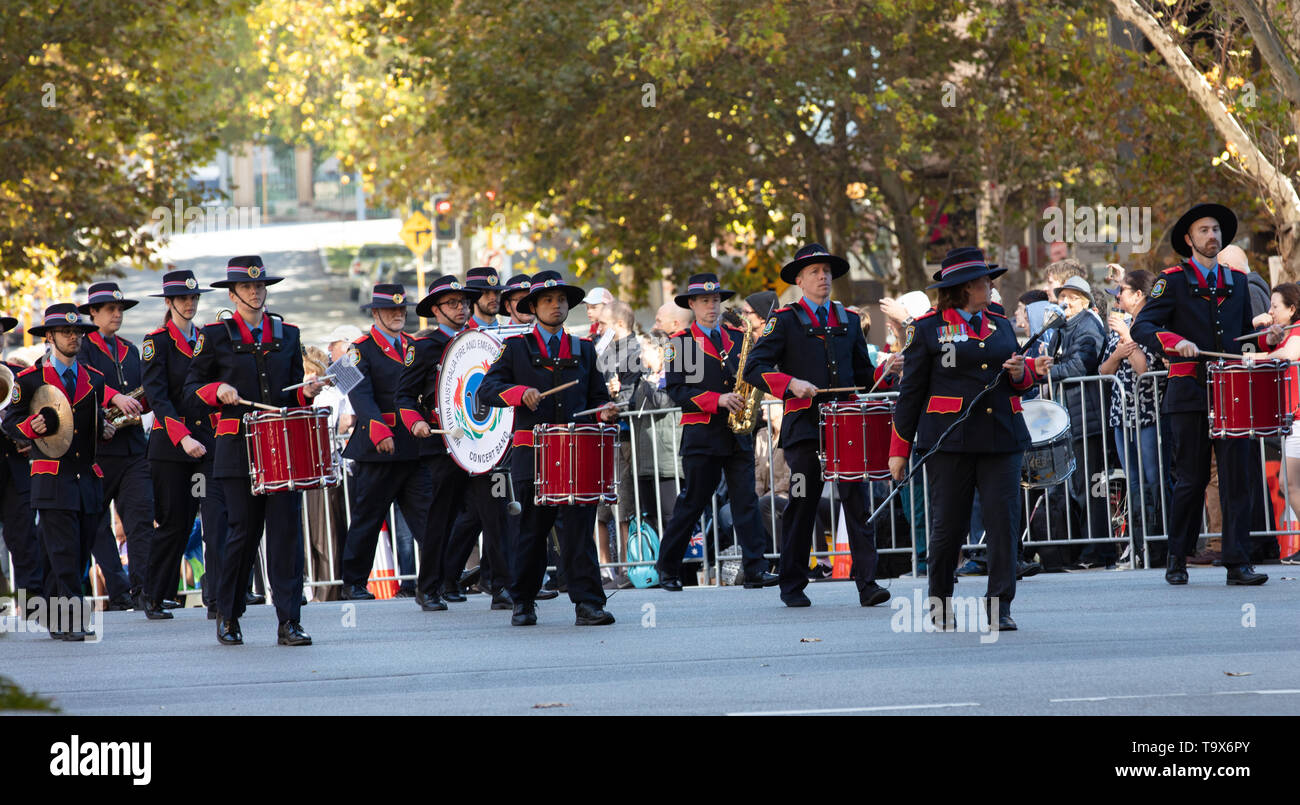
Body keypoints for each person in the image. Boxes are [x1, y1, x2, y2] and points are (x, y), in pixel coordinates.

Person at [888, 247, 1036, 631]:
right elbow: (911, 394)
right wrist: (898, 451)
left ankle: (999, 605)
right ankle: (940, 603)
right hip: (949, 440)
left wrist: (1020, 371)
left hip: (1002, 436)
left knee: (1003, 522)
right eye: (984, 280)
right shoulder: (925, 329)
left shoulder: (1000, 323)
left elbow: (1019, 384)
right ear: (966, 287)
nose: (990, 285)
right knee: (948, 526)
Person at [185, 256, 325, 646]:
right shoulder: (213, 336)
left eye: (260, 286)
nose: (255, 291)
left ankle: (289, 622)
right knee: (241, 536)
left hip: (280, 450)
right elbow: (191, 391)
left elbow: (291, 392)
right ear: (232, 294)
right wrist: (217, 391)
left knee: (286, 538)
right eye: (247, 287)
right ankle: (228, 616)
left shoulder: (288, 332)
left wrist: (307, 392)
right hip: (237, 449)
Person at [743, 243, 890, 608]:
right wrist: (790, 383)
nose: (823, 277)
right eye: (814, 272)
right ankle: (792, 583)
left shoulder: (850, 319)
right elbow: (754, 368)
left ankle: (868, 583)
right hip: (805, 429)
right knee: (802, 500)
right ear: (799, 280)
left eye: (826, 271)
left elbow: (862, 376)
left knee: (856, 501)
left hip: (846, 427)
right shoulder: (786, 319)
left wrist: (887, 373)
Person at [1131, 203, 1268, 586]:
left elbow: (1242, 338)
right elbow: (1143, 327)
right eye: (1204, 230)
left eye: (1216, 230)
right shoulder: (1171, 280)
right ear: (1189, 240)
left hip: (1230, 390)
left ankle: (1238, 561)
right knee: (1190, 479)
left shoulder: (1237, 281)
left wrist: (1262, 338)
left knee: (1236, 477)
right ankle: (1178, 555)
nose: (1213, 236)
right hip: (1189, 389)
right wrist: (1176, 343)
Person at [478, 270, 620, 627]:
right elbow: (487, 389)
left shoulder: (584, 350)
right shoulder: (515, 348)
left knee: (578, 530)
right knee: (532, 529)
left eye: (561, 301)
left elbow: (597, 398)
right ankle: (523, 601)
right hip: (533, 452)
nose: (557, 306)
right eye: (548, 300)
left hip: (575, 453)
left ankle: (587, 603)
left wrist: (604, 411)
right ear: (534, 307)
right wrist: (517, 393)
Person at [654, 273, 779, 592]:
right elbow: (678, 391)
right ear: (692, 304)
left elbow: (750, 375)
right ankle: (667, 568)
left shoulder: (739, 338)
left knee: (746, 501)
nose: (712, 306)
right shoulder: (680, 343)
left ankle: (755, 567)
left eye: (715, 300)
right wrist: (717, 400)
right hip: (702, 434)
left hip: (737, 432)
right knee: (692, 503)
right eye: (705, 301)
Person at [3, 304, 115, 640]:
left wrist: (104, 429)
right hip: (51, 477)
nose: (73, 337)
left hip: (86, 477)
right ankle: (71, 620)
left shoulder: (94, 379)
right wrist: (30, 427)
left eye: (77, 332)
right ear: (49, 337)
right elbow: (11, 421)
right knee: (64, 551)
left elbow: (91, 425)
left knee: (78, 551)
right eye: (66, 332)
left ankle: (51, 615)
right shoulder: (30, 379)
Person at [336, 284, 434, 606]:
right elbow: (356, 394)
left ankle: (438, 579)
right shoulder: (358, 349)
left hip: (411, 446)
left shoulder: (413, 345)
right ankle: (353, 583)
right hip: (376, 450)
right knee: (367, 518)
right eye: (391, 310)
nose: (398, 314)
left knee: (427, 516)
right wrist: (378, 429)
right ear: (375, 313)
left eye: (401, 309)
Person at [139, 269, 220, 619]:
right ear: (169, 303)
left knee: (217, 516)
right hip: (172, 447)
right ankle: (154, 595)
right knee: (175, 522)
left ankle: (219, 595)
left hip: (204, 442)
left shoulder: (206, 339)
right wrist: (182, 437)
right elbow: (158, 397)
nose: (189, 303)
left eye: (193, 298)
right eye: (183, 299)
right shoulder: (155, 341)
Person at [396, 275, 479, 611]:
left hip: (476, 442)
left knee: (486, 510)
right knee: (439, 517)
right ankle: (428, 587)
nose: (461, 309)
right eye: (452, 304)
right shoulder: (424, 346)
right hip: (440, 444)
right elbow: (403, 395)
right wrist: (414, 421)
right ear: (435, 310)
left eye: (464, 303)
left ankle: (497, 585)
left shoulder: (478, 342)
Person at [76, 281, 153, 611]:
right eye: (110, 309)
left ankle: (145, 591)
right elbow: (80, 381)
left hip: (133, 446)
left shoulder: (130, 349)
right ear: (93, 313)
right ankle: (118, 588)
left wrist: (146, 402)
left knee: (140, 519)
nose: (117, 314)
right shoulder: (83, 348)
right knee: (95, 522)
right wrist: (112, 398)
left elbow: (142, 391)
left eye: (120, 308)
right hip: (99, 447)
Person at [1036, 276, 1113, 568]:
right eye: (1061, 296)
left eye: (1069, 296)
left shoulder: (1088, 325)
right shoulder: (1061, 328)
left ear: (1082, 300)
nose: (1063, 302)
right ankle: (1085, 548)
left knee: (1091, 487)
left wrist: (1048, 371)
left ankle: (1098, 550)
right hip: (1071, 421)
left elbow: (1083, 363)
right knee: (1078, 487)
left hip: (1088, 420)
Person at [1100, 269, 1166, 569]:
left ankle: (1161, 543)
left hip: (1149, 413)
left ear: (1139, 294)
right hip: (1121, 414)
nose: (1117, 296)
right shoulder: (1117, 325)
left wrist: (1129, 339)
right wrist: (1117, 353)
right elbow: (1103, 371)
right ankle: (1140, 546)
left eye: (1123, 290)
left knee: (1155, 479)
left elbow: (1144, 368)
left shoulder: (1151, 325)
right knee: (1134, 482)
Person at [1255, 281, 1300, 564]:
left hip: (1298, 418)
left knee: (1290, 482)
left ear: (1292, 309)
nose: (1270, 311)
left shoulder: (1296, 331)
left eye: (1275, 306)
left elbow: (1287, 354)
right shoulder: (1286, 332)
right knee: (1289, 482)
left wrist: (1258, 358)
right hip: (1292, 420)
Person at [0, 313, 41, 609]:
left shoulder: (17, 374)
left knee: (25, 540)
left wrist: (30, 437)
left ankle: (32, 607)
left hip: (15, 469)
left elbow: (40, 412)